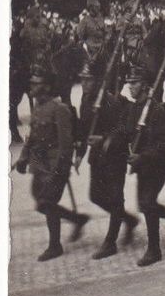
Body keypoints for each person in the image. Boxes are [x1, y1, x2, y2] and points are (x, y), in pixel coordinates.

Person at [117, 65, 165, 267]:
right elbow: (125, 133)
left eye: (134, 83)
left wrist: (141, 157)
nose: (130, 87)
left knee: (148, 202)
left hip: (158, 164)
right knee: (145, 204)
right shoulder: (133, 109)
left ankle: (154, 250)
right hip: (143, 164)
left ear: (145, 86)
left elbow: (163, 145)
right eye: (129, 83)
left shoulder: (157, 110)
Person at [13, 67, 90, 261]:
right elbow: (32, 139)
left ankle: (55, 246)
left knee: (47, 202)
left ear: (46, 87)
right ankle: (77, 219)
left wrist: (59, 169)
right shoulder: (37, 108)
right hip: (39, 163)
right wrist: (23, 158)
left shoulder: (60, 109)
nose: (31, 86)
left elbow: (66, 144)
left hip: (55, 165)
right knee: (40, 203)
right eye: (31, 82)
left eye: (35, 83)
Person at [74, 61, 139, 259]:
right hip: (97, 157)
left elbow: (123, 130)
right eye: (82, 80)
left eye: (88, 80)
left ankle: (110, 242)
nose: (84, 84)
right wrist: (79, 154)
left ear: (98, 81)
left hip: (114, 157)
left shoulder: (110, 101)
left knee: (115, 197)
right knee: (95, 195)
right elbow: (84, 130)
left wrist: (103, 139)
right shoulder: (85, 100)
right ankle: (128, 220)